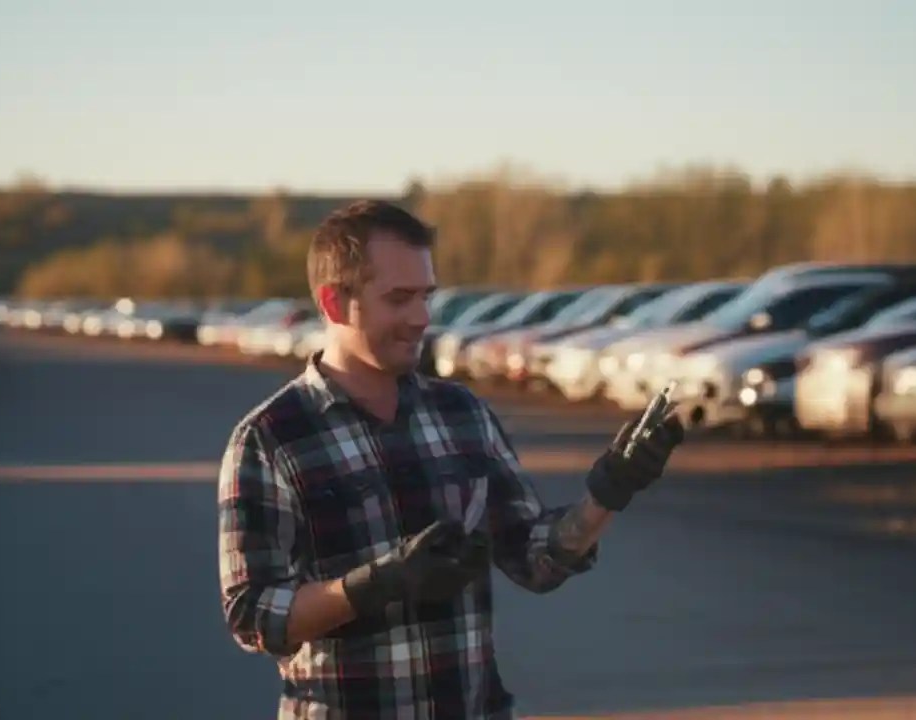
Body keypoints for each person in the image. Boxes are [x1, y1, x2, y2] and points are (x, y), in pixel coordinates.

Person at [217, 200, 684, 718]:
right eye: (399, 299)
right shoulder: (270, 439)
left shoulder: (461, 413)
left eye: (426, 296)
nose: (421, 318)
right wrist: (377, 582)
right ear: (333, 303)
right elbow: (253, 615)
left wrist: (608, 494)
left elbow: (535, 559)